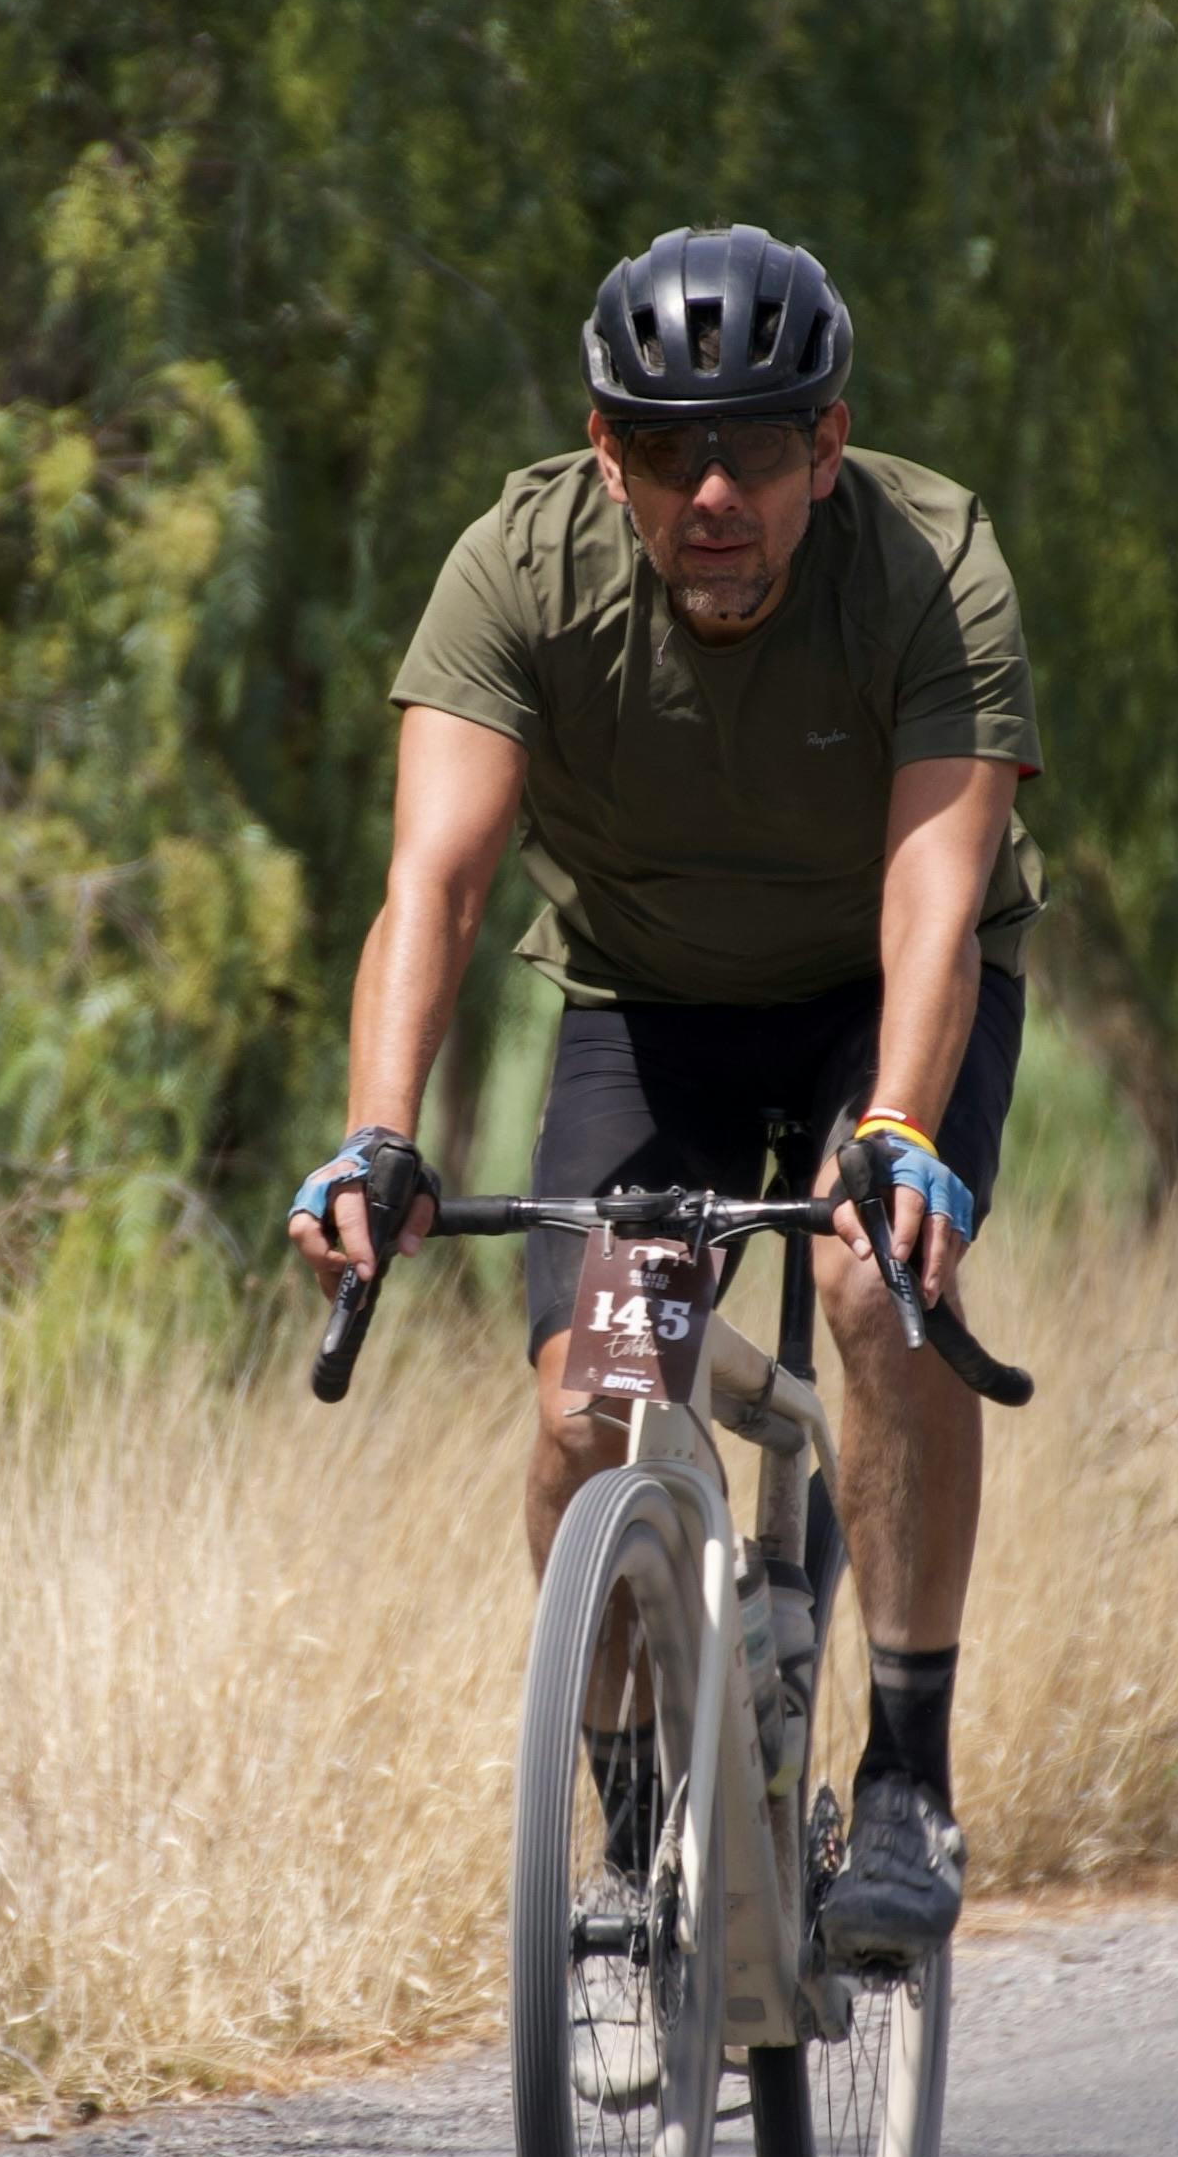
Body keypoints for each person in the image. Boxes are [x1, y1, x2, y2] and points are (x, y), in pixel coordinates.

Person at [288, 222, 1042, 1961]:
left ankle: (907, 1777)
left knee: (870, 1282)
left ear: (827, 445)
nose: (714, 495)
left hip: (882, 999)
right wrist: (381, 1134)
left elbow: (935, 898)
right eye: (664, 449)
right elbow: (435, 887)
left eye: (758, 449)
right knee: (592, 1406)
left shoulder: (931, 565)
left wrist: (897, 1130)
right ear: (603, 449)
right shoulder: (519, 568)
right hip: (651, 1007)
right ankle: (636, 1858)